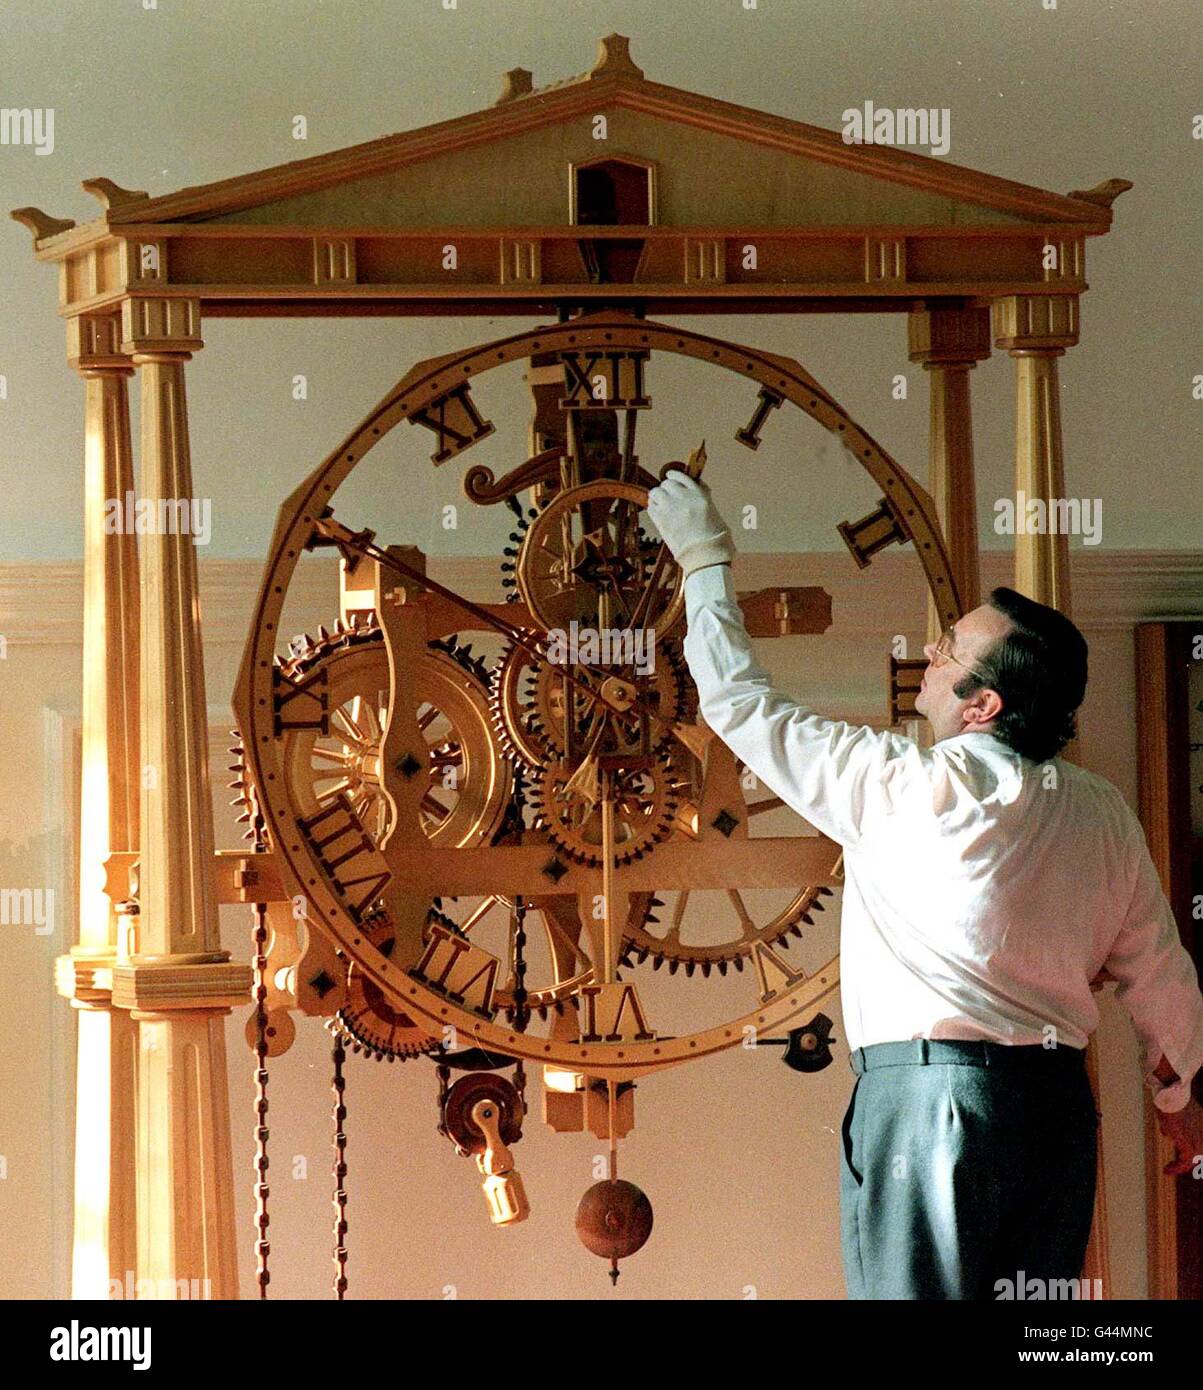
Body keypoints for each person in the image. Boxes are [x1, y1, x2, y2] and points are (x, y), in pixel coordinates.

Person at [645, 469, 1203, 1300]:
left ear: (981, 705)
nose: (931, 655)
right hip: (1054, 1113)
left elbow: (739, 703)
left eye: (950, 650)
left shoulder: (897, 784)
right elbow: (1160, 973)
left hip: (929, 1106)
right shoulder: (1102, 814)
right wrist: (1179, 1096)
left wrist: (702, 555)